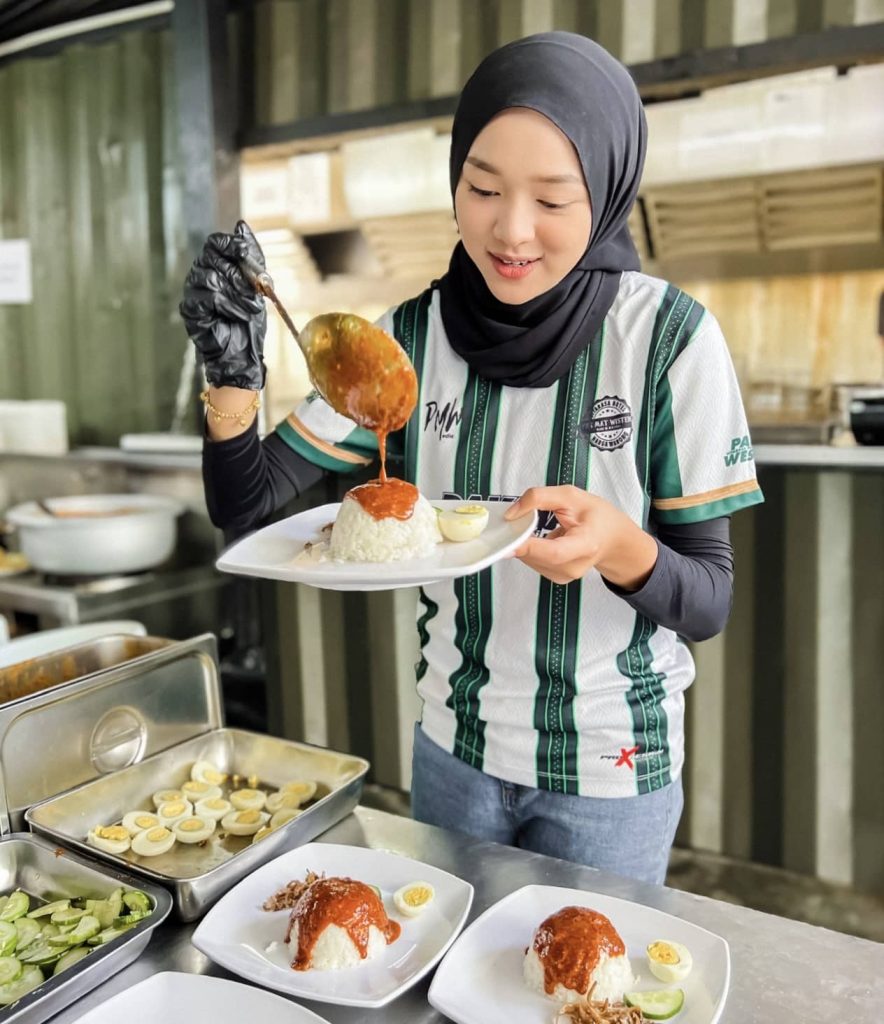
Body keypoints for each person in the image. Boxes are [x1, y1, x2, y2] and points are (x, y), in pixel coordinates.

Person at [180, 32, 763, 886]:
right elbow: (248, 506)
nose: (511, 229)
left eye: (553, 199)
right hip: (453, 751)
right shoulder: (405, 341)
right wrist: (232, 372)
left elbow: (708, 599)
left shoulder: (668, 339)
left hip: (611, 769)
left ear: (607, 196)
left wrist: (617, 547)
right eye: (483, 188)